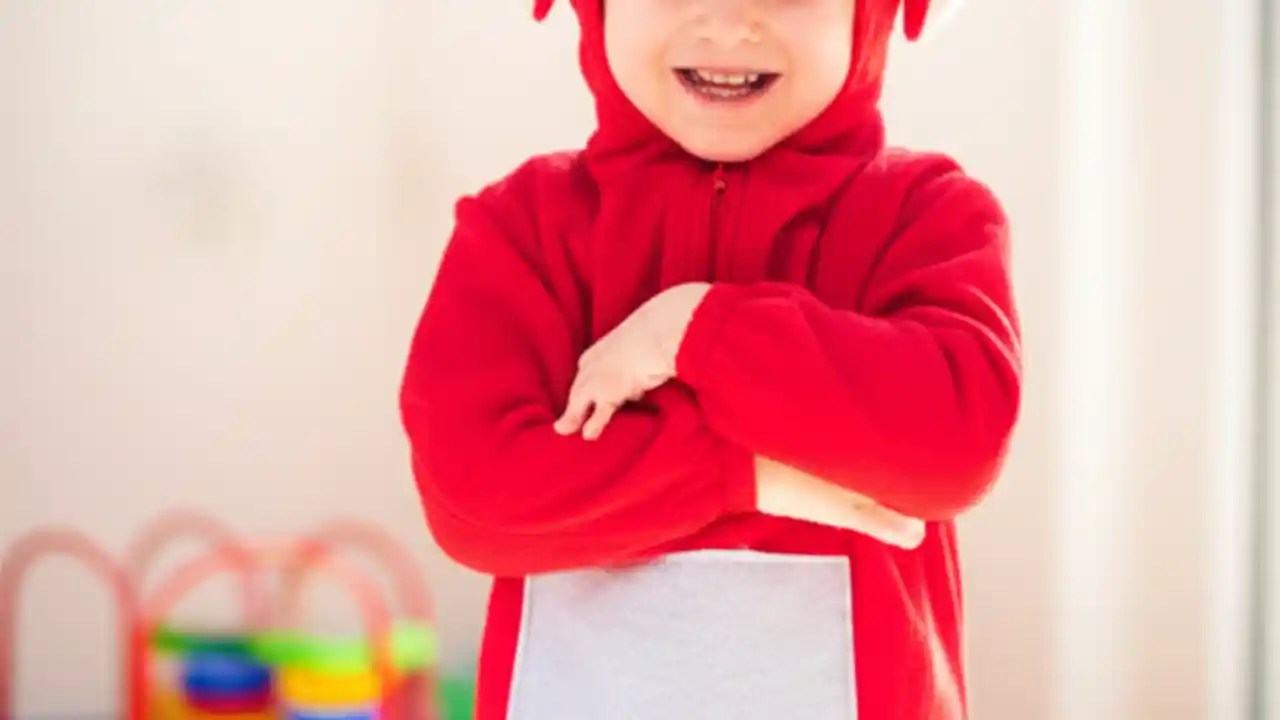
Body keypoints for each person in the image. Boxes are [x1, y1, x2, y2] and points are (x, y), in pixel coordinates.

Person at [399, 0, 1021, 717]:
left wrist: (697, 330)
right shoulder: (523, 230)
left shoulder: (928, 219)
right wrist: (750, 478)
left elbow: (956, 440)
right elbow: (473, 499)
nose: (727, 23)